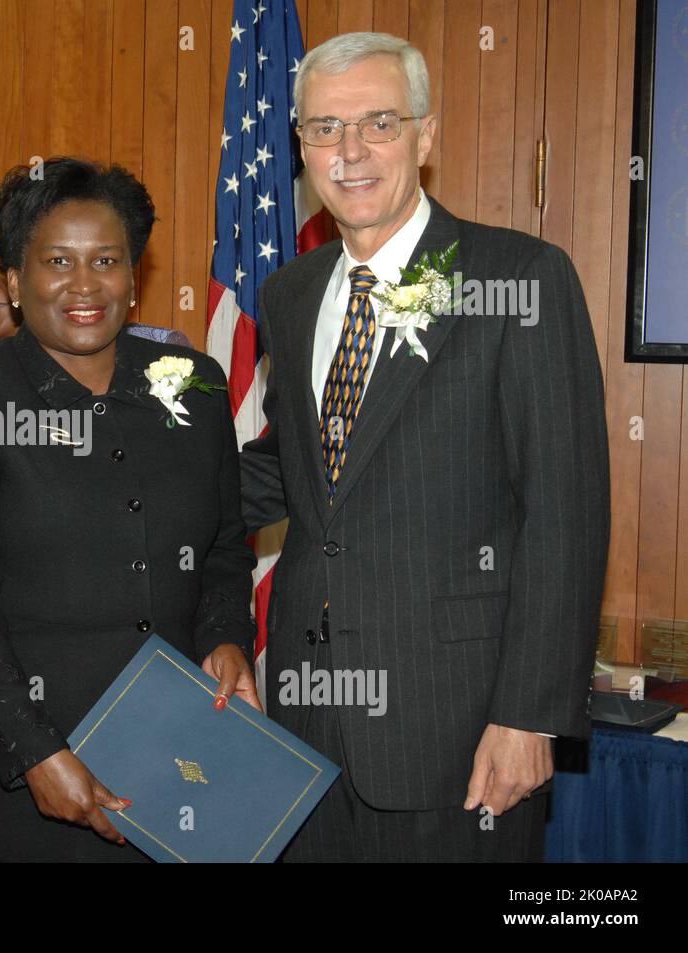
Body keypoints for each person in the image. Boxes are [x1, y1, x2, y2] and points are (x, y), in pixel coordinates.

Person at [239, 33, 609, 861]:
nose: (352, 151)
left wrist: (528, 715)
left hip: (459, 727)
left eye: (378, 122)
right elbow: (299, 469)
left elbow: (566, 515)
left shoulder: (520, 280)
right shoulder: (291, 293)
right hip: (303, 719)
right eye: (325, 130)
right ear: (300, 146)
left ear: (426, 135)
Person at [0, 157, 259, 862]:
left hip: (169, 781)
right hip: (9, 803)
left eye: (107, 260)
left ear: (135, 275)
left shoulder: (193, 386)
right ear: (12, 277)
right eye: (57, 261)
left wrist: (225, 636)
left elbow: (223, 547)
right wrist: (38, 753)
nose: (85, 285)